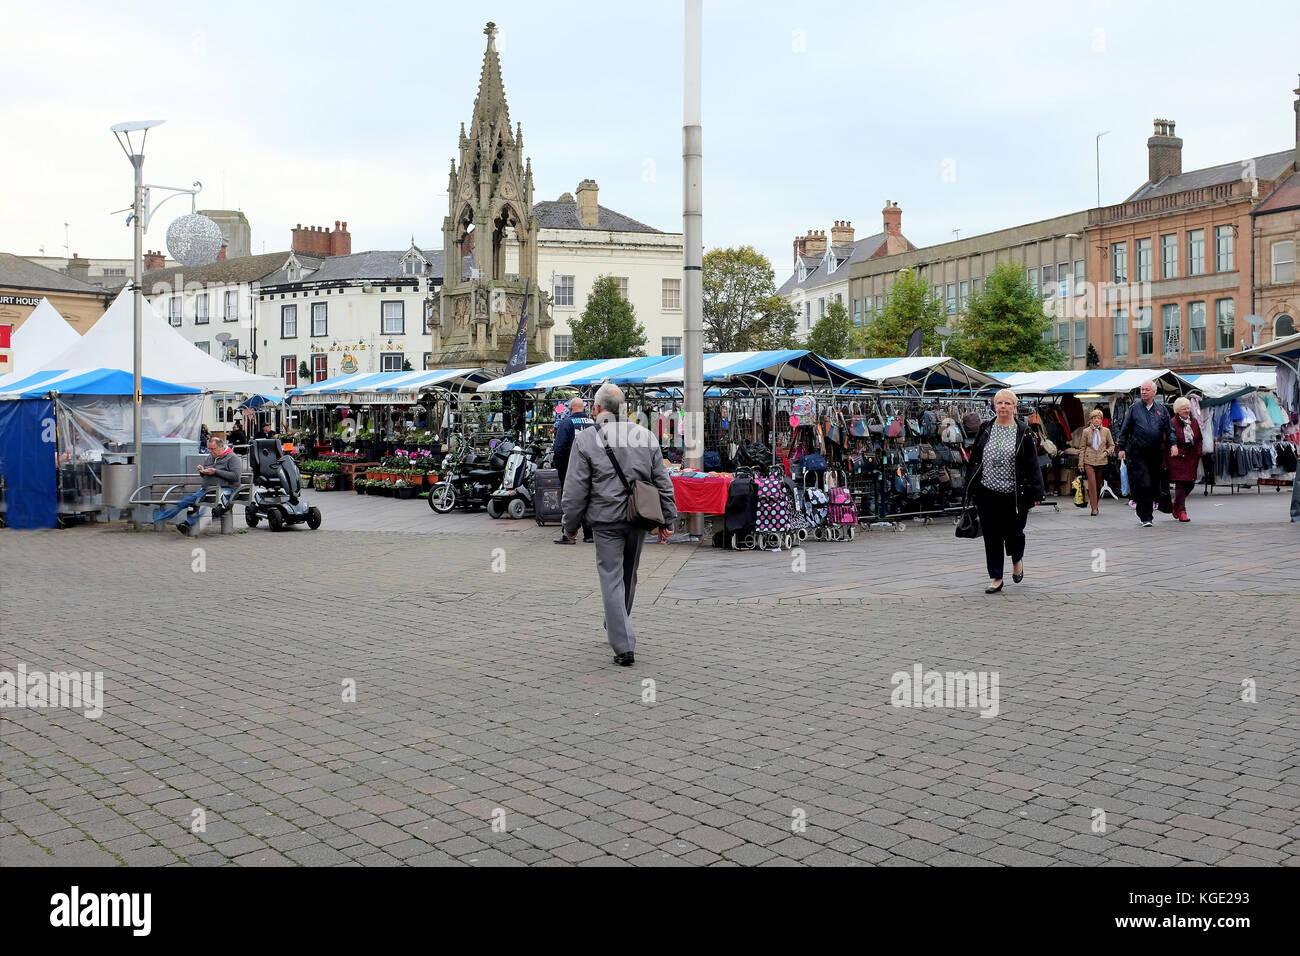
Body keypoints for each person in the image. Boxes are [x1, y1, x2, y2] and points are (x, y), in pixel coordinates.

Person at [559, 383, 677, 666]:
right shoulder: (645, 435)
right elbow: (663, 481)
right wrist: (668, 520)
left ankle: (623, 645)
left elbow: (575, 489)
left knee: (611, 578)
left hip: (605, 520)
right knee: (628, 575)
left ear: (597, 409)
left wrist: (570, 525)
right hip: (639, 517)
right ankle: (617, 623)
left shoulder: (587, 439)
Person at [966, 389, 1044, 594]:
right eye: (999, 403)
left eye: (1007, 403)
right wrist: (970, 485)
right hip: (987, 491)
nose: (1003, 407)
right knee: (991, 536)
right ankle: (996, 577)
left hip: (1015, 494)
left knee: (1014, 534)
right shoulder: (986, 428)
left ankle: (1017, 559)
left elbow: (1032, 464)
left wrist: (1037, 493)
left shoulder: (1023, 431)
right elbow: (975, 458)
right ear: (994, 406)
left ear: (1014, 407)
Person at [1116, 381, 1171, 528]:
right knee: (1144, 483)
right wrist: (1121, 448)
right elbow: (1125, 429)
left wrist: (1174, 445)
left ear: (1154, 392)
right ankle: (1146, 516)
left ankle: (1144, 507)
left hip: (1156, 453)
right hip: (1138, 452)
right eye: (1142, 389)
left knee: (1153, 484)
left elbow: (1169, 430)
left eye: (1147, 390)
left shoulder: (1162, 410)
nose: (1144, 392)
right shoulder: (1134, 409)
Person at [176, 436, 244, 536]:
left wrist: (216, 471)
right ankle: (188, 523)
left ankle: (192, 523)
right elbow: (206, 475)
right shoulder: (210, 457)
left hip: (226, 488)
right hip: (208, 488)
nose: (210, 451)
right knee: (193, 501)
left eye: (213, 449)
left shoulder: (233, 458)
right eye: (209, 449)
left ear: (221, 447)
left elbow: (235, 476)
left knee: (214, 501)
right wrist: (202, 471)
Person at [552, 397, 596, 544]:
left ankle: (569, 532)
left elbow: (558, 449)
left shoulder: (567, 423)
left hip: (572, 467)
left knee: (571, 499)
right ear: (583, 408)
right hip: (592, 467)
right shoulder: (593, 423)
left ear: (570, 409)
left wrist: (560, 466)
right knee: (589, 497)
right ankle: (589, 534)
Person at [1167, 396, 1204, 522]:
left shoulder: (1193, 421)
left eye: (1188, 408)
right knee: (1181, 484)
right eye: (1184, 409)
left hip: (1191, 457)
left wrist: (1199, 452)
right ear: (1177, 410)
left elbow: (1199, 438)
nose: (1187, 410)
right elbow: (1166, 440)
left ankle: (1176, 504)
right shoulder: (1172, 422)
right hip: (1178, 457)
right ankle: (1182, 511)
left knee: (1191, 484)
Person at [1077, 408, 1116, 516]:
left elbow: (1112, 445)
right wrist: (1081, 463)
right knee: (1092, 483)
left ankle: (1096, 505)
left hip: (1101, 461)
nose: (1096, 420)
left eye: (1098, 418)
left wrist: (1106, 452)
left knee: (1099, 485)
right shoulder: (1086, 431)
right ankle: (1093, 508)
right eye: (1094, 418)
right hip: (1088, 460)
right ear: (1090, 420)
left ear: (1101, 420)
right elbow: (1082, 448)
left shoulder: (1106, 431)